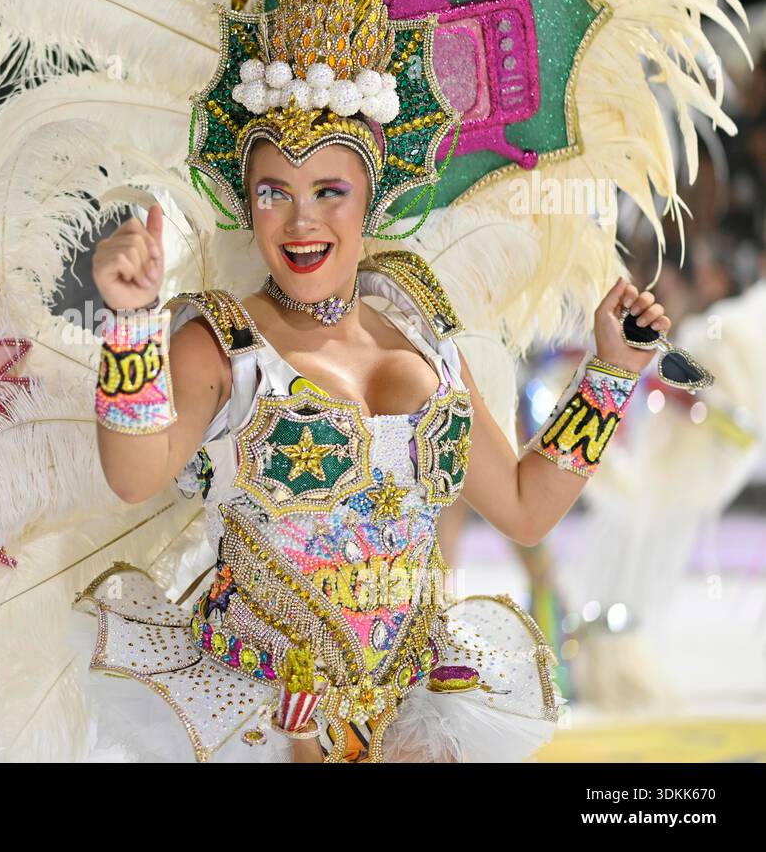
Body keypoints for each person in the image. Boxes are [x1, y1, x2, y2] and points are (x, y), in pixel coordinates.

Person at [84, 121, 669, 760]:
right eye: (273, 193)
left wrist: (611, 373)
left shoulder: (421, 334)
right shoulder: (222, 345)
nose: (300, 221)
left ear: (372, 194)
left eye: (329, 191)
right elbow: (134, 475)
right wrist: (130, 326)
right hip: (263, 720)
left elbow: (527, 507)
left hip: (413, 723)